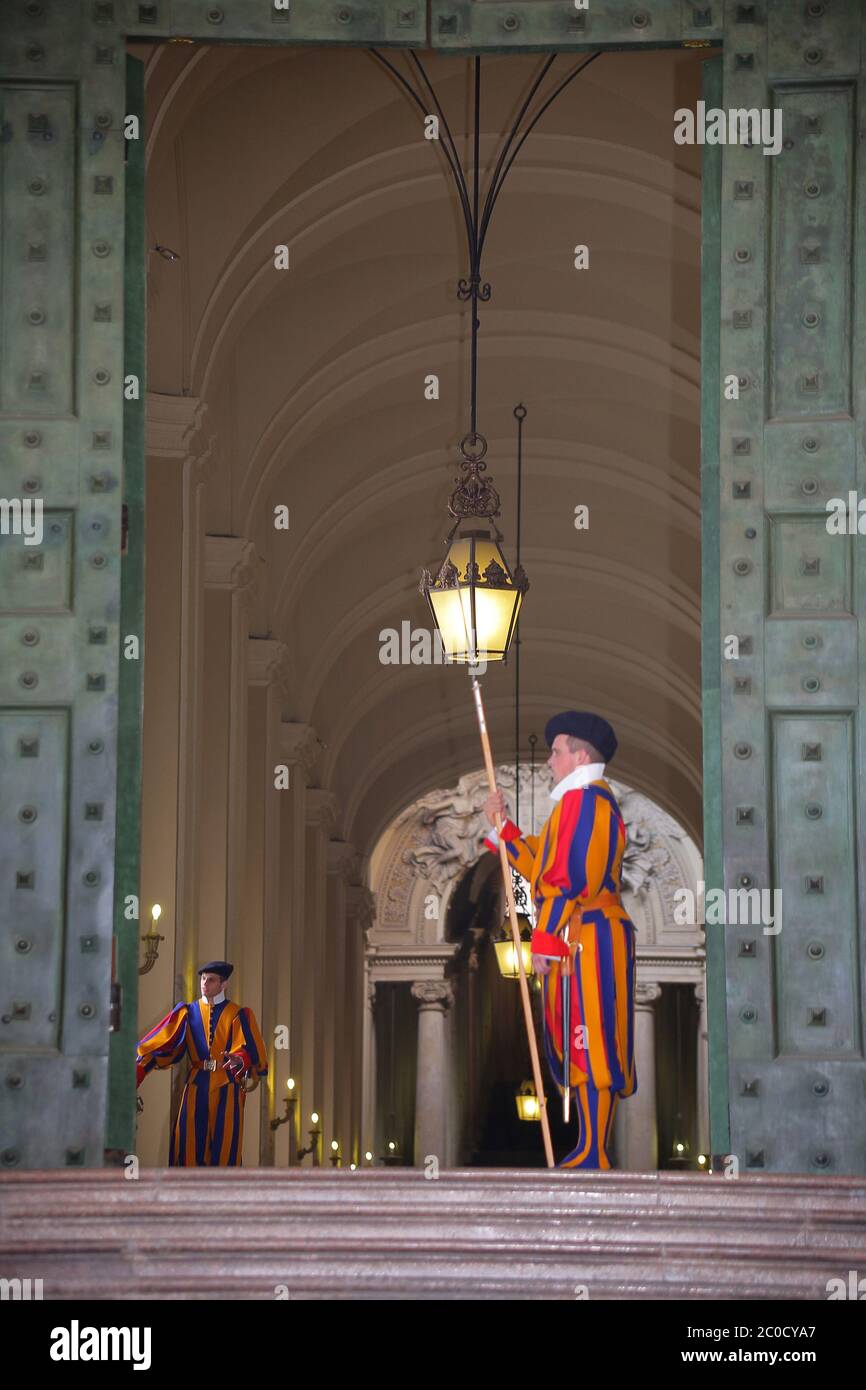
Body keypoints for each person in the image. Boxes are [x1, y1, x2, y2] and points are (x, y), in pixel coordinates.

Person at [484, 712, 636, 1169]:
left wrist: (545, 939)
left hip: (588, 935)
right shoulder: (580, 804)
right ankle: (590, 1147)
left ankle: (594, 1150)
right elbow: (542, 864)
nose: (550, 760)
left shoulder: (584, 802)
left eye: (557, 751)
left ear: (581, 755)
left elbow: (566, 879)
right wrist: (503, 827)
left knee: (591, 1039)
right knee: (579, 1038)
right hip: (580, 933)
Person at [136, 961, 268, 1166]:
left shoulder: (238, 1014)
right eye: (203, 978)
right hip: (196, 1084)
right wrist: (136, 1068)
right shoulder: (188, 1012)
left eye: (211, 979)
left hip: (227, 1084)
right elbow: (163, 1043)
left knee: (225, 1145)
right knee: (188, 1139)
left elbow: (248, 1047)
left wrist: (240, 1059)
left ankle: (222, 1193)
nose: (205, 983)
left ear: (224, 984)